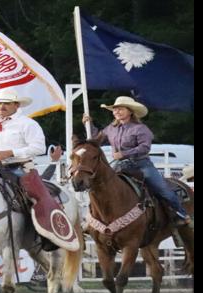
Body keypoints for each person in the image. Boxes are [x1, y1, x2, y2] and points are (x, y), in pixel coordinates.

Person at [0, 87, 77, 249]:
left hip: (20, 167)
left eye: (7, 103)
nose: (2, 107)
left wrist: (11, 152)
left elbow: (38, 147)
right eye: (0, 103)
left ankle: (44, 235)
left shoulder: (28, 124)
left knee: (35, 196)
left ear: (16, 105)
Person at [81, 95, 188, 223]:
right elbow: (96, 139)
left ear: (130, 111)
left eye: (121, 109)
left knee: (162, 189)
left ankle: (181, 214)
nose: (117, 112)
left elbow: (144, 147)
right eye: (115, 109)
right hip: (120, 165)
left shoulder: (141, 129)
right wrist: (88, 124)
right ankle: (98, 218)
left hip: (141, 165)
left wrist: (124, 153)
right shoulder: (111, 128)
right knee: (102, 184)